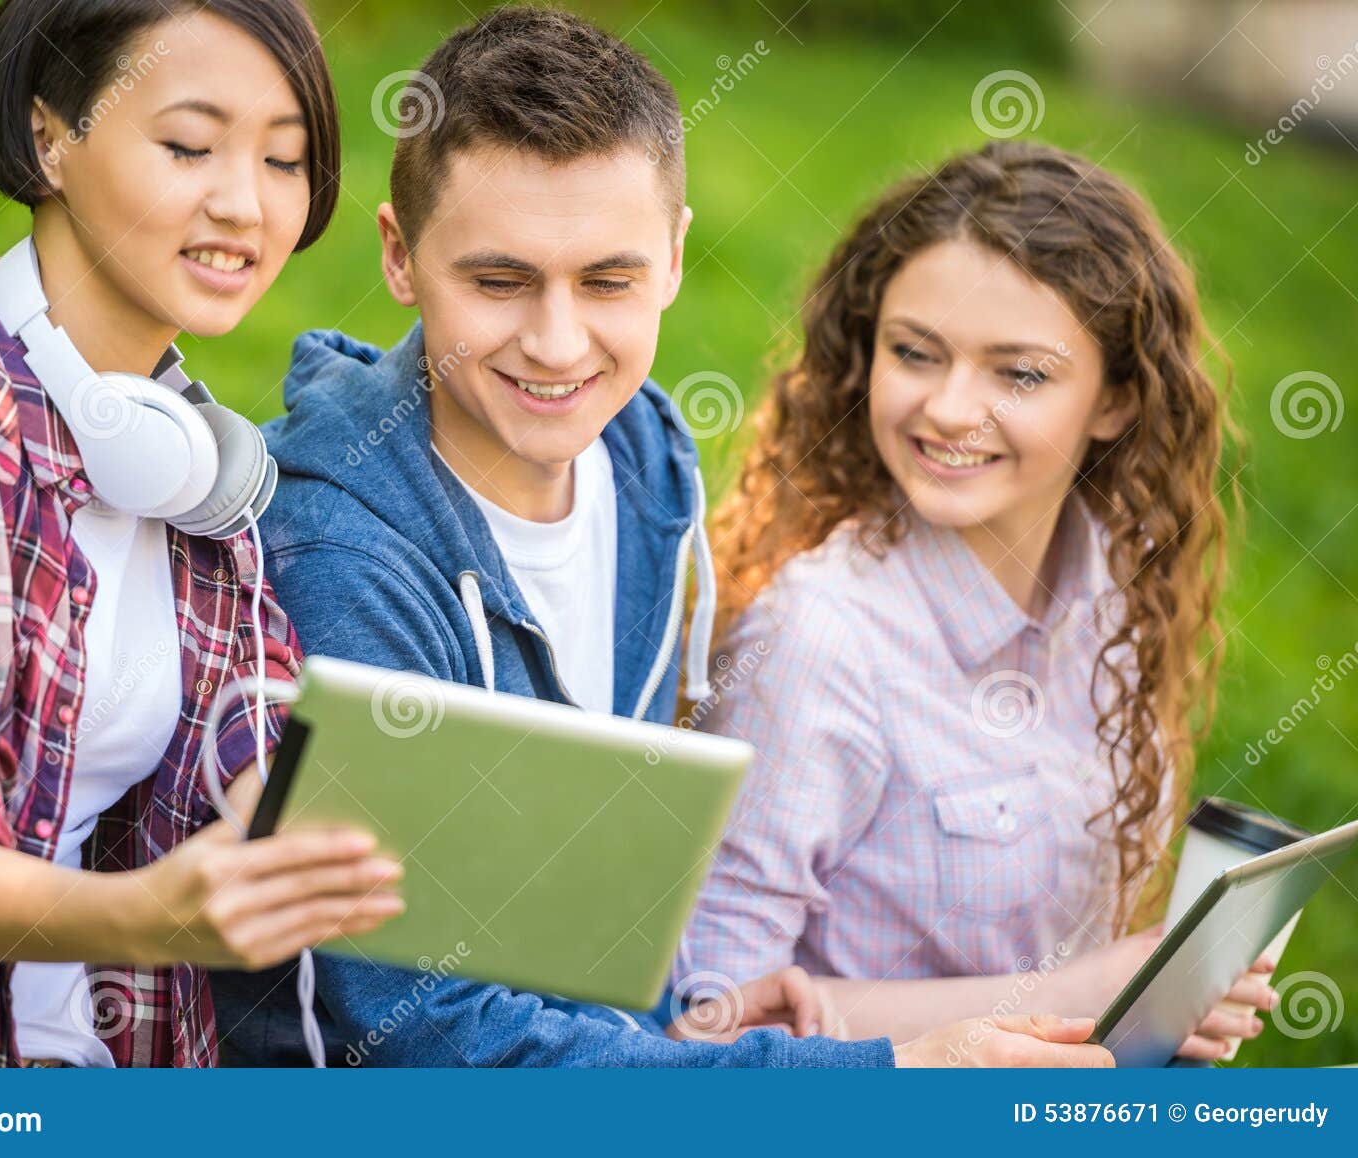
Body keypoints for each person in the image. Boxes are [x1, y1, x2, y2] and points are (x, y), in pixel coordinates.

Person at [212, 7, 1110, 1069]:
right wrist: (893, 1074)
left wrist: (695, 1004)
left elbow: (581, 895)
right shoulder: (343, 562)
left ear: (676, 258)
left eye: (608, 280)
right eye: (498, 281)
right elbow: (429, 1054)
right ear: (401, 257)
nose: (555, 343)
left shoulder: (643, 455)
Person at [0, 0, 401, 1068]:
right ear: (49, 134)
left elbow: (263, 756)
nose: (244, 205)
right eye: (189, 145)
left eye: (284, 161)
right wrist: (156, 916)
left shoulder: (190, 462)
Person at [677, 141, 1276, 1059]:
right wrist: (1095, 991)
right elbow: (708, 1023)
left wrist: (1149, 1011)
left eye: (1019, 374)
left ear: (1116, 399)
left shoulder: (1116, 588)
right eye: (916, 353)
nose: (953, 410)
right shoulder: (820, 640)